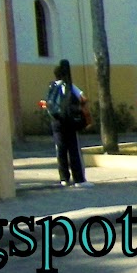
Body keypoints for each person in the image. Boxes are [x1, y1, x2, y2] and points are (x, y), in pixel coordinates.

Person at [38, 59, 90, 188]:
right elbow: (83, 98)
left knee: (60, 149)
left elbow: (46, 104)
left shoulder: (52, 87)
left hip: (56, 122)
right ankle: (79, 179)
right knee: (73, 149)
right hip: (69, 121)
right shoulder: (69, 86)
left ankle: (64, 178)